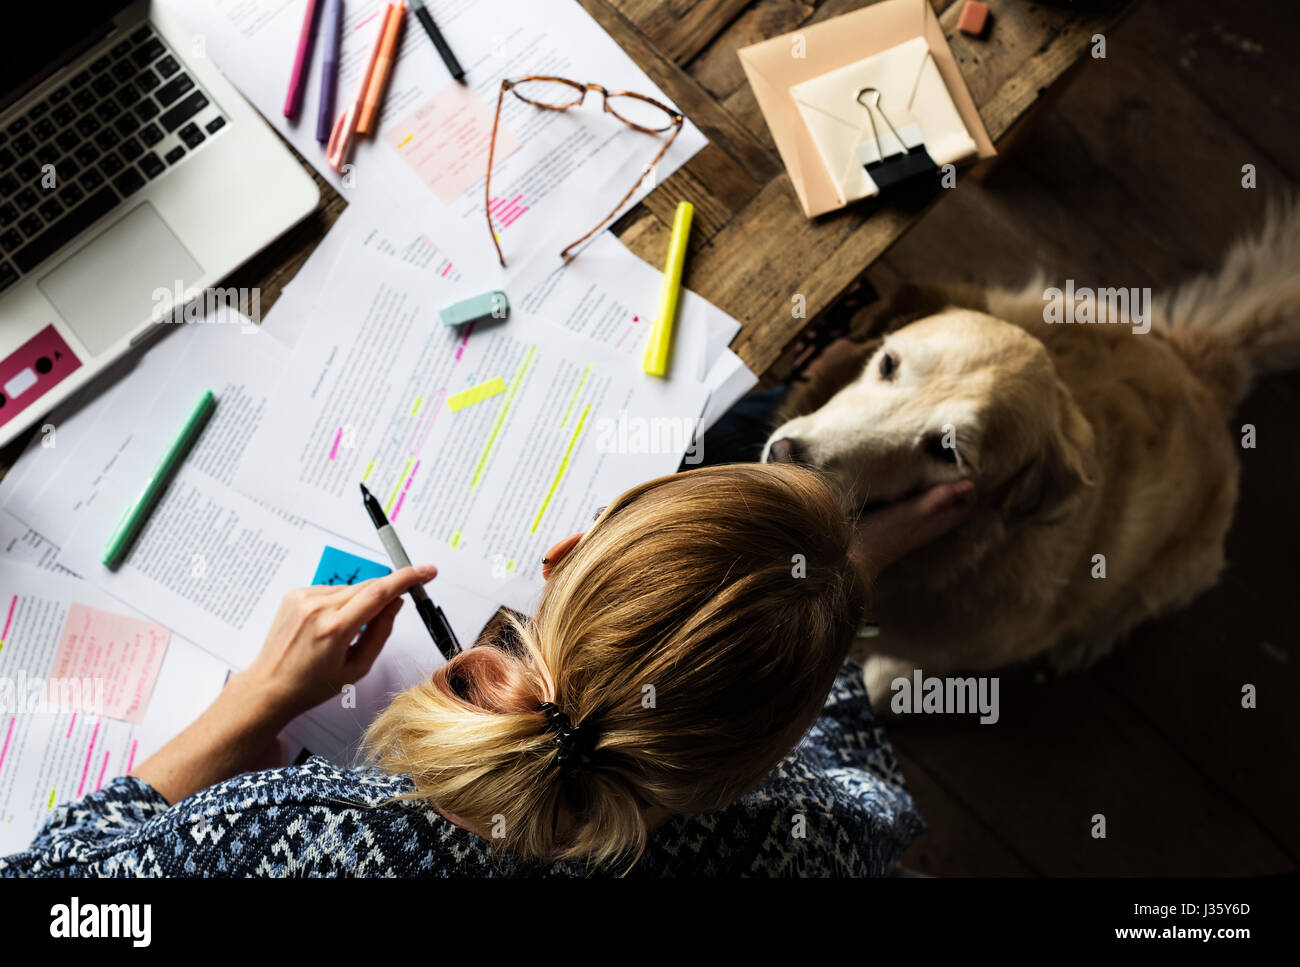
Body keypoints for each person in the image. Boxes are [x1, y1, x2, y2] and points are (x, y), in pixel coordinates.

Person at [0, 460, 972, 877]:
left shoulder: (292, 838)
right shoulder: (811, 837)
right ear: (755, 753)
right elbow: (869, 788)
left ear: (562, 554)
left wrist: (251, 707)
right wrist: (837, 588)